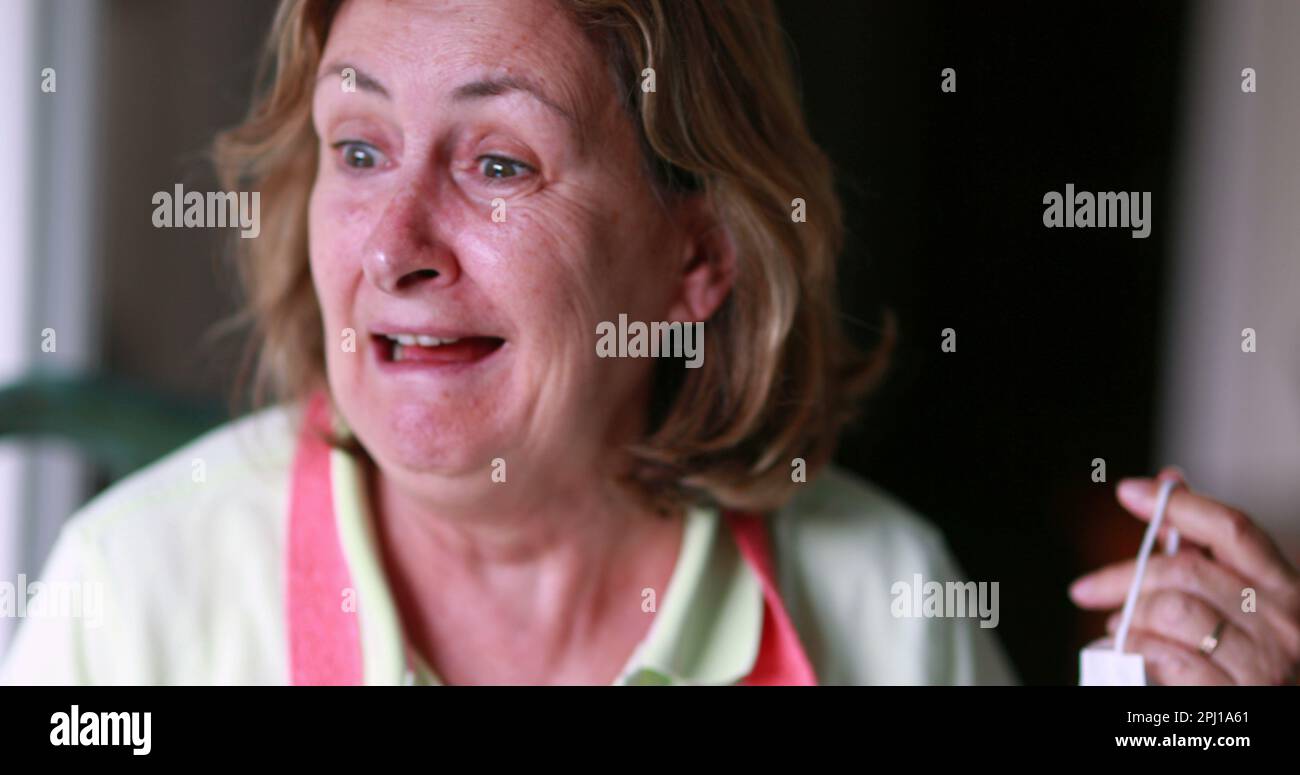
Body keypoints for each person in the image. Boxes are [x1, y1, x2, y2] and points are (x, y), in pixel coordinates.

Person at [2, 0, 1294, 686]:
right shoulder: (129, 598)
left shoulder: (886, 610)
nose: (393, 242)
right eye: (358, 147)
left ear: (696, 256)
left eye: (499, 160)